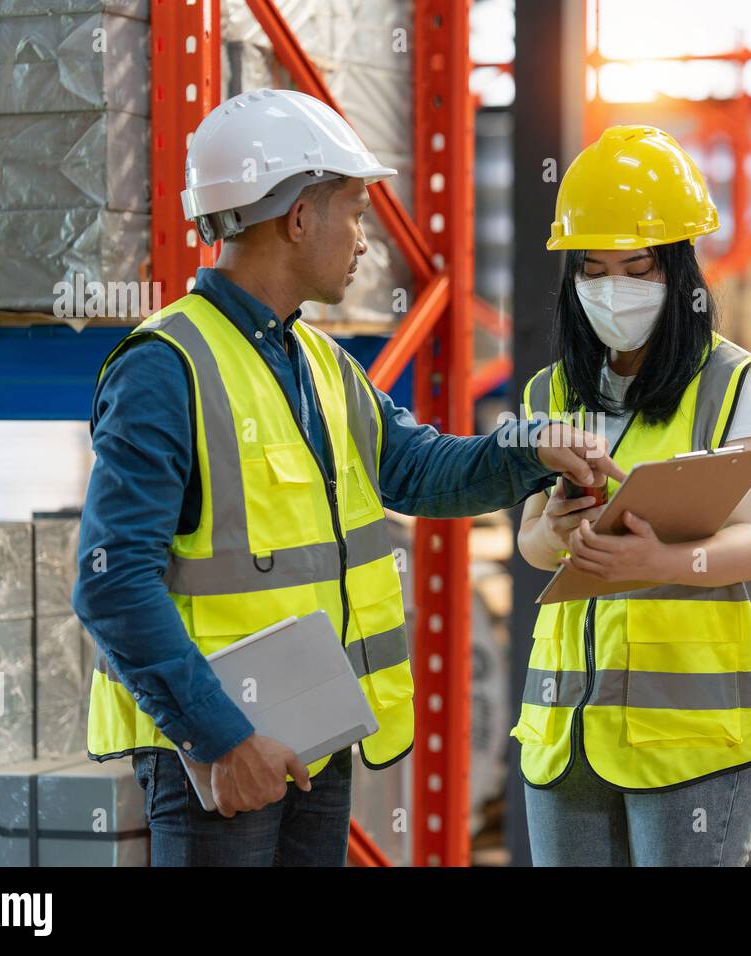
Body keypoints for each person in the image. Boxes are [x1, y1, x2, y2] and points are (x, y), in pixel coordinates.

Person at [73, 88, 621, 866]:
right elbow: (110, 582)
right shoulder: (166, 370)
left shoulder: (321, 365)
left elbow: (420, 471)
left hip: (313, 733)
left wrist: (531, 448)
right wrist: (221, 739)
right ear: (298, 218)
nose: (365, 241)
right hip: (220, 753)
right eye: (357, 212)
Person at [513, 125, 751, 867]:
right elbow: (530, 543)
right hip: (568, 733)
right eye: (593, 270)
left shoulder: (734, 386)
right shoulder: (553, 390)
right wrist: (555, 528)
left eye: (637, 268)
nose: (614, 289)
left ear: (678, 271)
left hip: (694, 737)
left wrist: (657, 561)